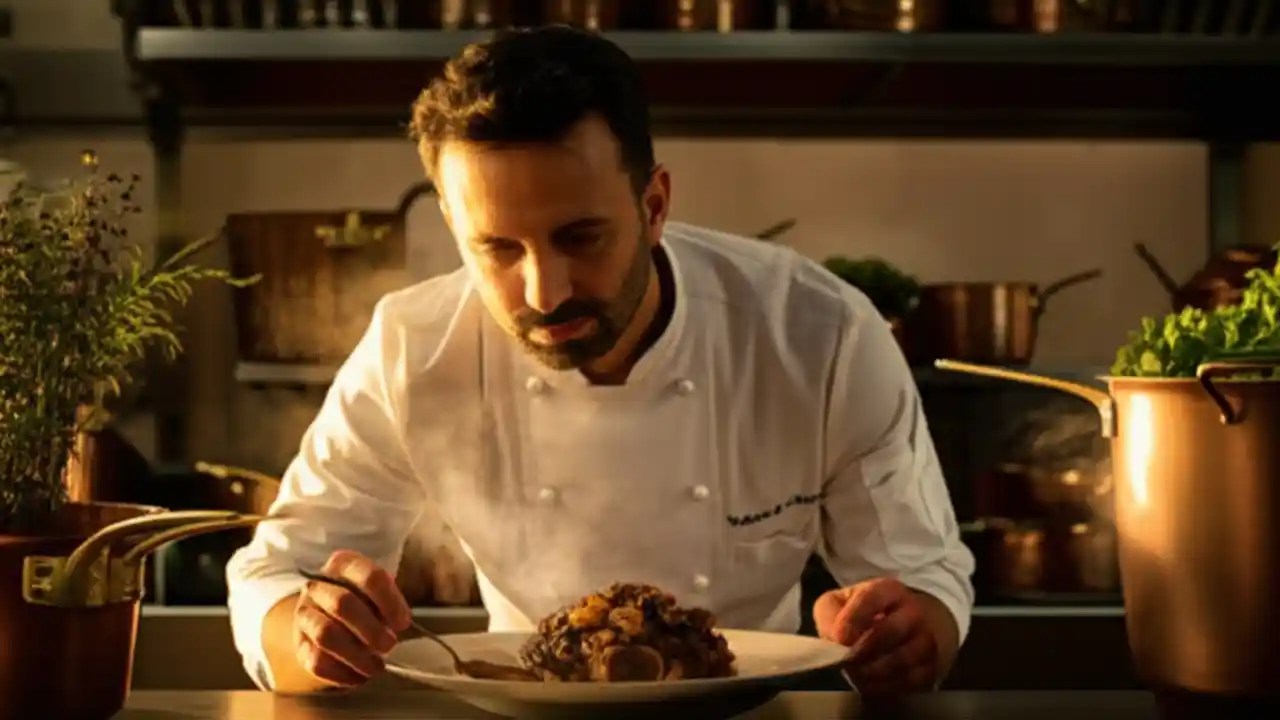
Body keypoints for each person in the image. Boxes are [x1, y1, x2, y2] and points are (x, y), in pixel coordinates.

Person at [225, 24, 975, 698]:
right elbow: (274, 576)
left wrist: (908, 635)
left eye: (580, 237)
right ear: (454, 226)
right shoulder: (411, 347)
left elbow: (924, 579)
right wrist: (312, 629)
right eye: (497, 249)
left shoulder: (819, 334)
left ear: (653, 207)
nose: (544, 292)